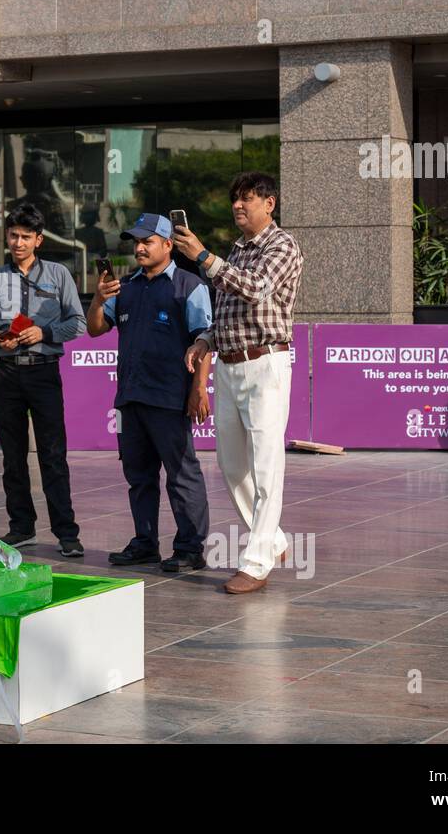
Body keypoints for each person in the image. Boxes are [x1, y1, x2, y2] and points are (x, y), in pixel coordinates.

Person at [173, 172, 304, 595]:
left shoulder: (282, 246)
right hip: (230, 366)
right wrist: (204, 340)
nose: (237, 205)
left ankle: (257, 561)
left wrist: (203, 256)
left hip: (265, 364)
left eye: (247, 198)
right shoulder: (237, 250)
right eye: (235, 199)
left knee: (267, 467)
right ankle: (276, 541)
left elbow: (254, 290)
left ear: (270, 203)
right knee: (232, 465)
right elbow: (226, 309)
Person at [87, 213, 213, 573]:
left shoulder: (190, 286)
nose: (139, 248)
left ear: (168, 245)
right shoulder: (124, 287)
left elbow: (203, 340)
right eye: (136, 242)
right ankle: (145, 543)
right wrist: (98, 298)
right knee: (138, 476)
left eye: (147, 241)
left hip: (170, 397)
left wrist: (198, 389)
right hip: (130, 397)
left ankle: (190, 548)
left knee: (181, 473)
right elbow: (96, 329)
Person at [0, 203, 86, 558]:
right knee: (13, 456)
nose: (18, 242)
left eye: (25, 236)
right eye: (13, 236)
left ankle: (66, 533)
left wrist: (43, 331)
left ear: (38, 239)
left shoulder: (59, 275)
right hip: (6, 372)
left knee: (53, 454)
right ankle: (21, 528)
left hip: (43, 370)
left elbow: (78, 324)